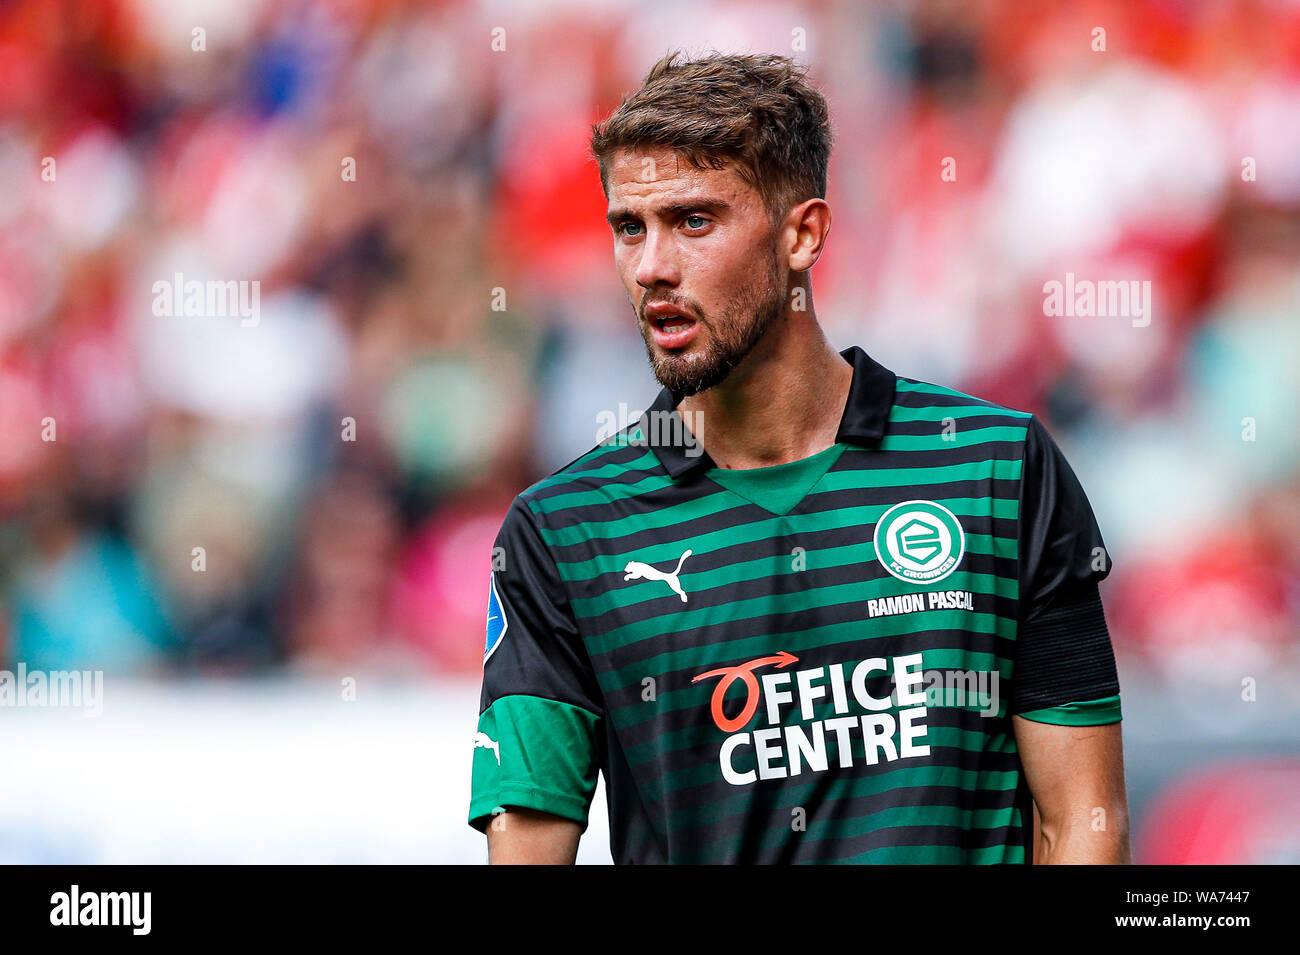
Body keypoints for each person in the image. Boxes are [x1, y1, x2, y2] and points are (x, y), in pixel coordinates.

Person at [468, 51, 1128, 864]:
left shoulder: (997, 469)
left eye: (694, 221)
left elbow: (1083, 821)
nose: (651, 269)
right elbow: (529, 847)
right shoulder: (563, 533)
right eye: (629, 228)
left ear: (803, 234)